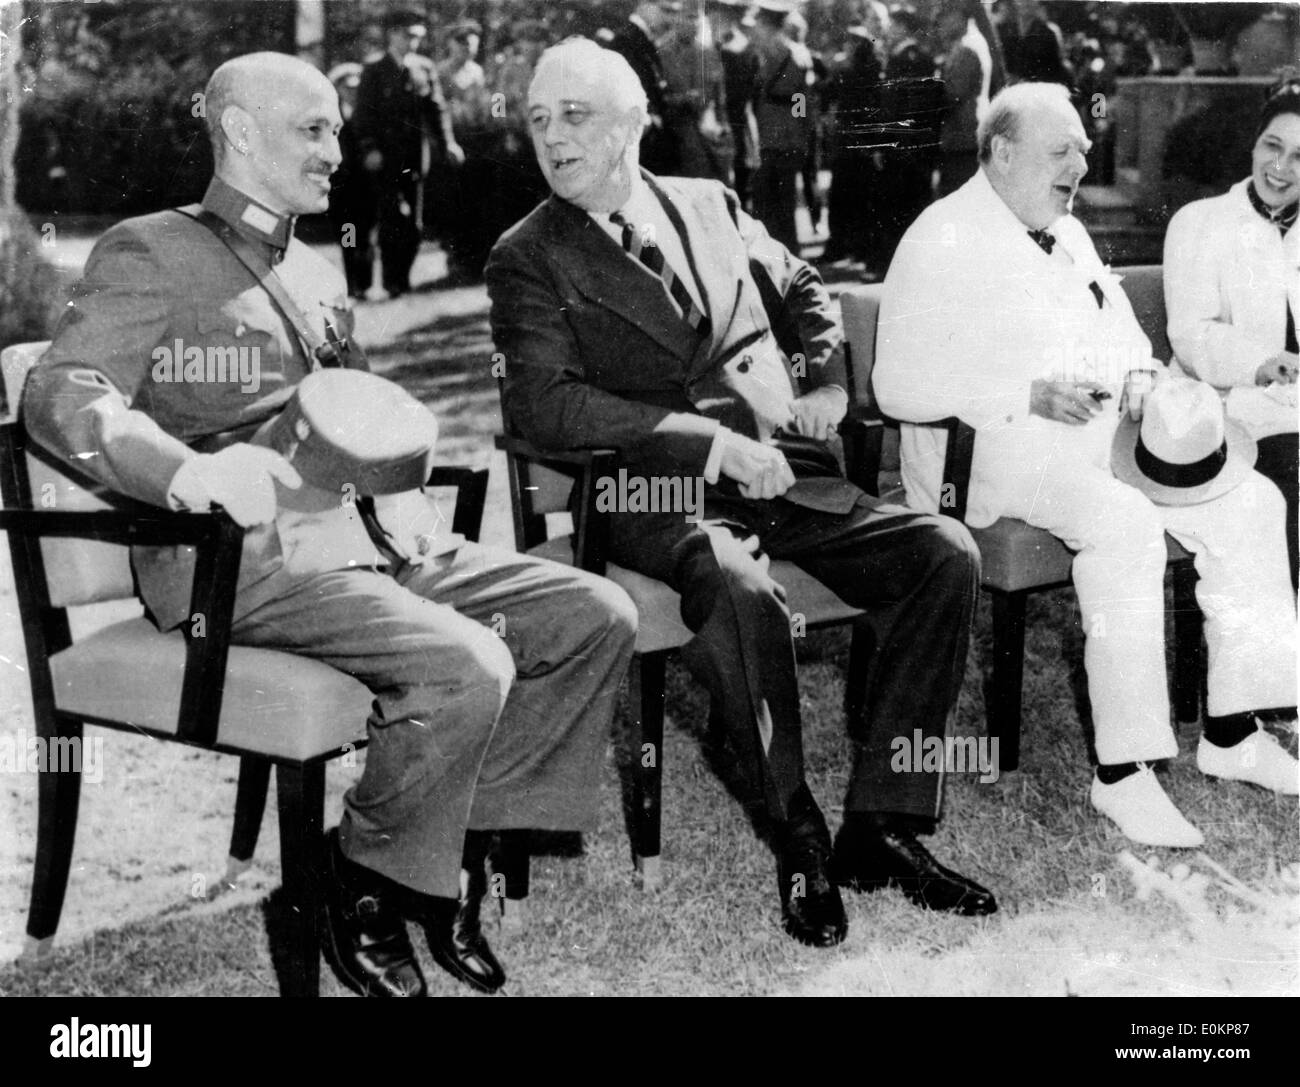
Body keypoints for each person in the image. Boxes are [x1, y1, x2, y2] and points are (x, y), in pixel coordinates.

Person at [22, 52, 637, 998]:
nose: (337, 151)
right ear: (236, 133)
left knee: (596, 614)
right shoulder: (153, 248)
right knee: (470, 664)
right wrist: (187, 469)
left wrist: (408, 490)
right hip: (238, 562)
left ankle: (421, 856)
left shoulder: (313, 267)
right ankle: (357, 885)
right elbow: (62, 390)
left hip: (366, 542)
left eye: (338, 129)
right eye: (314, 129)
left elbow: (353, 415)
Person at [487, 38, 997, 949]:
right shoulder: (527, 255)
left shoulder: (707, 201)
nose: (551, 138)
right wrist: (710, 444)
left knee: (942, 554)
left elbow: (804, 285)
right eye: (537, 119)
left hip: (784, 471)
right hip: (653, 497)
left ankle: (882, 826)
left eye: (574, 116)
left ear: (633, 124)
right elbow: (543, 401)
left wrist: (829, 383)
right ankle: (796, 834)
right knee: (739, 589)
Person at [875, 83, 1299, 849]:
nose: (1081, 160)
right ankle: (1124, 774)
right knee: (1125, 523)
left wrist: (1141, 376)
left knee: (1252, 502)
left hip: (1094, 441)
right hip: (986, 457)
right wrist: (1025, 392)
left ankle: (1235, 730)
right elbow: (895, 384)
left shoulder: (1064, 232)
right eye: (1061, 149)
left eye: (1081, 146)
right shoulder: (939, 236)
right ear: (1003, 152)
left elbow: (1118, 335)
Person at [1163, 84, 1300, 590]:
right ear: (1254, 143)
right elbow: (1191, 336)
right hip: (1225, 413)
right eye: (1273, 145)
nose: (1281, 167)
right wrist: (1263, 361)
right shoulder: (1200, 223)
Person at [351, 9, 463, 298]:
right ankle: (391, 283)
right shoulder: (374, 69)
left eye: (417, 37)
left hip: (416, 158)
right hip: (385, 159)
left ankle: (402, 278)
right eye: (408, 36)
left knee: (414, 224)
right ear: (394, 35)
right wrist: (369, 148)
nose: (413, 43)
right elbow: (363, 116)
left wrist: (448, 142)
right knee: (391, 218)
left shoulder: (424, 68)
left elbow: (437, 110)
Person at [747, 0, 816, 253]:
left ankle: (776, 257)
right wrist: (797, 125)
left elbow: (797, 98)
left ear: (767, 23)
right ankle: (788, 255)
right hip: (789, 137)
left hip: (769, 137)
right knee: (784, 203)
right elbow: (801, 99)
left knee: (768, 203)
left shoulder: (765, 51)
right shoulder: (798, 53)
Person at [603, 1, 678, 176]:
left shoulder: (640, 39)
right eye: (665, 10)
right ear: (644, 5)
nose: (670, 19)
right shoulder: (626, 41)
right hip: (640, 143)